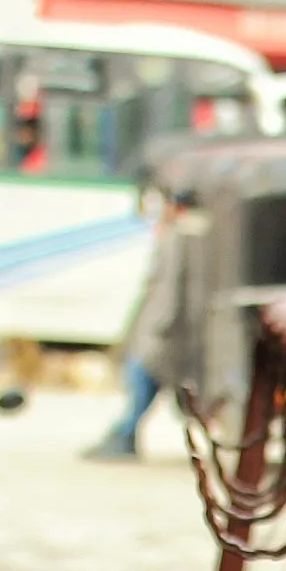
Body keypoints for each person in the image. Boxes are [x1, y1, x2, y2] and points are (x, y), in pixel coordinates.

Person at [86, 187, 190, 462]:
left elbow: (169, 291)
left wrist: (158, 327)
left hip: (157, 332)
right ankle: (124, 434)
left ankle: (124, 435)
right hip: (153, 330)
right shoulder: (173, 237)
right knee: (142, 387)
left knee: (141, 382)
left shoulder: (177, 240)